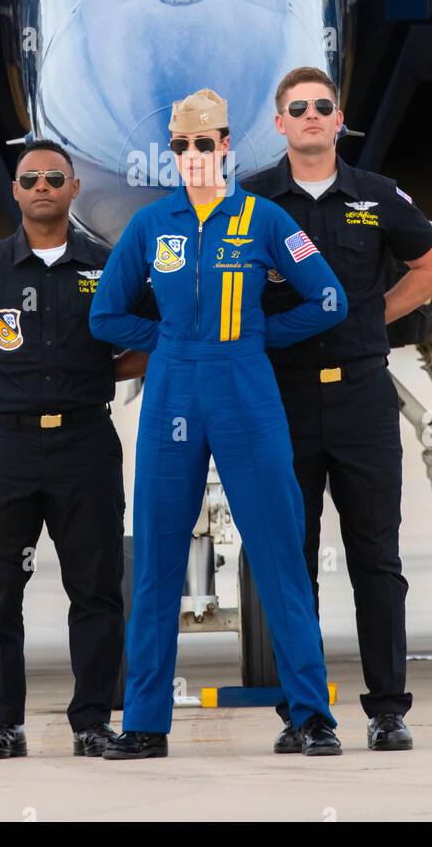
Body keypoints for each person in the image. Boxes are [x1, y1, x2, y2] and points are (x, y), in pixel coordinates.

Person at [89, 87, 349, 759]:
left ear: (226, 146)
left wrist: (258, 333)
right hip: (173, 386)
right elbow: (105, 315)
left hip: (245, 384)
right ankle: (145, 724)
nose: (192, 155)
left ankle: (310, 717)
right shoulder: (152, 226)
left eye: (204, 144)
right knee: (155, 560)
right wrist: (171, 339)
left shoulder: (264, 221)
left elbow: (328, 298)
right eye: (180, 146)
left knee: (277, 553)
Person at [0, 139, 155, 759]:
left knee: (96, 587)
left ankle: (93, 723)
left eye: (55, 176)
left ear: (75, 189)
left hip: (84, 444)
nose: (42, 185)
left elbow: (155, 340)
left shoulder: (111, 266)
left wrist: (99, 380)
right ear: (16, 192)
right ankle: (2, 725)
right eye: (30, 178)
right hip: (6, 447)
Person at [241, 66, 432, 752]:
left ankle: (387, 709)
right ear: (278, 124)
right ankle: (303, 716)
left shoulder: (377, 196)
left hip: (361, 395)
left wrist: (369, 318)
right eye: (295, 108)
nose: (309, 116)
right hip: (283, 397)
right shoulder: (250, 205)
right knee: (289, 558)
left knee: (375, 557)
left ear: (338, 121)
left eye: (321, 107)